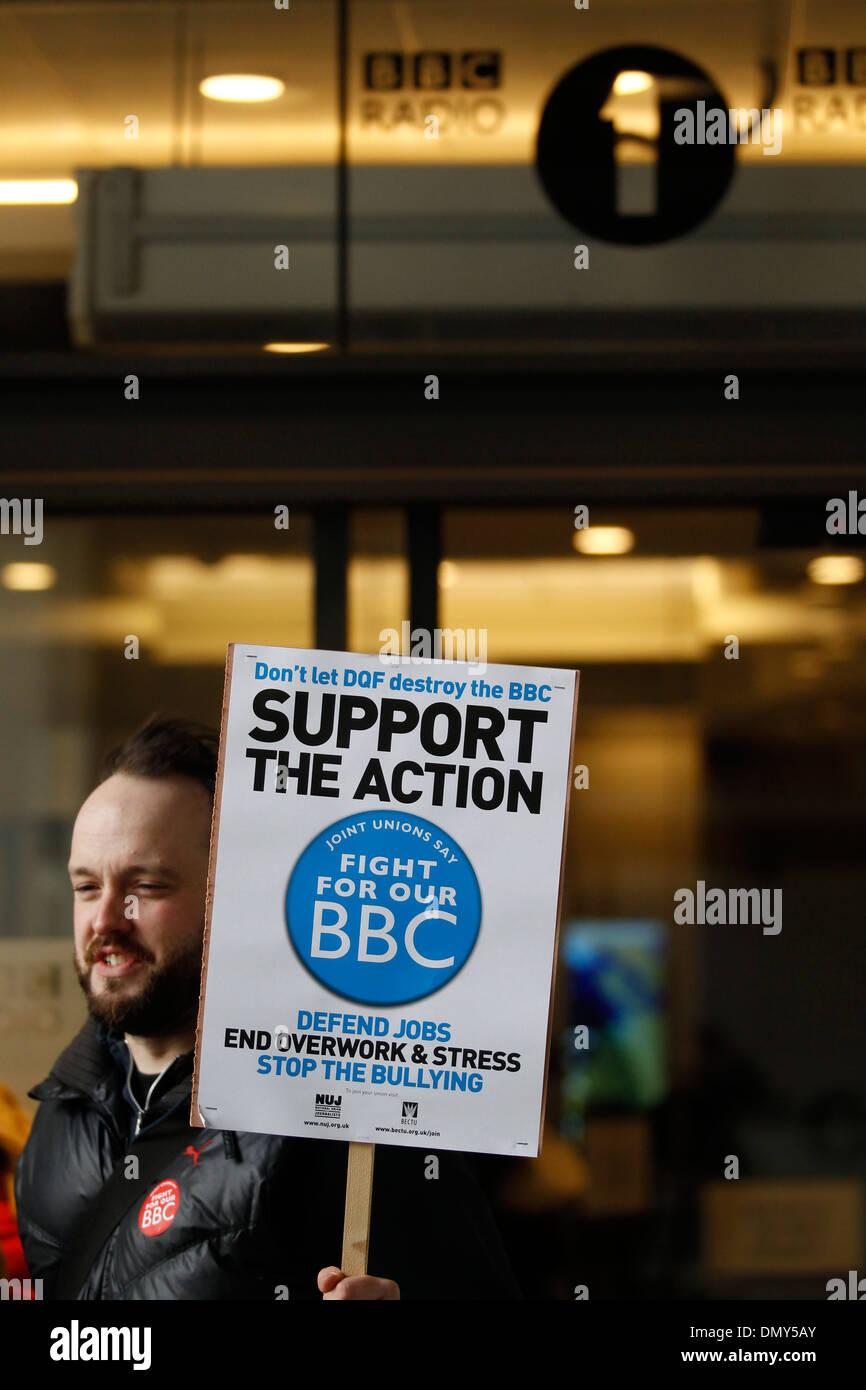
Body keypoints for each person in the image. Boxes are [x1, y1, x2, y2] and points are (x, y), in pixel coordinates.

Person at [14, 716, 520, 1301]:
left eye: (146, 887)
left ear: (231, 897)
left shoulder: (348, 1121)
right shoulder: (60, 1112)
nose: (103, 920)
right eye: (85, 887)